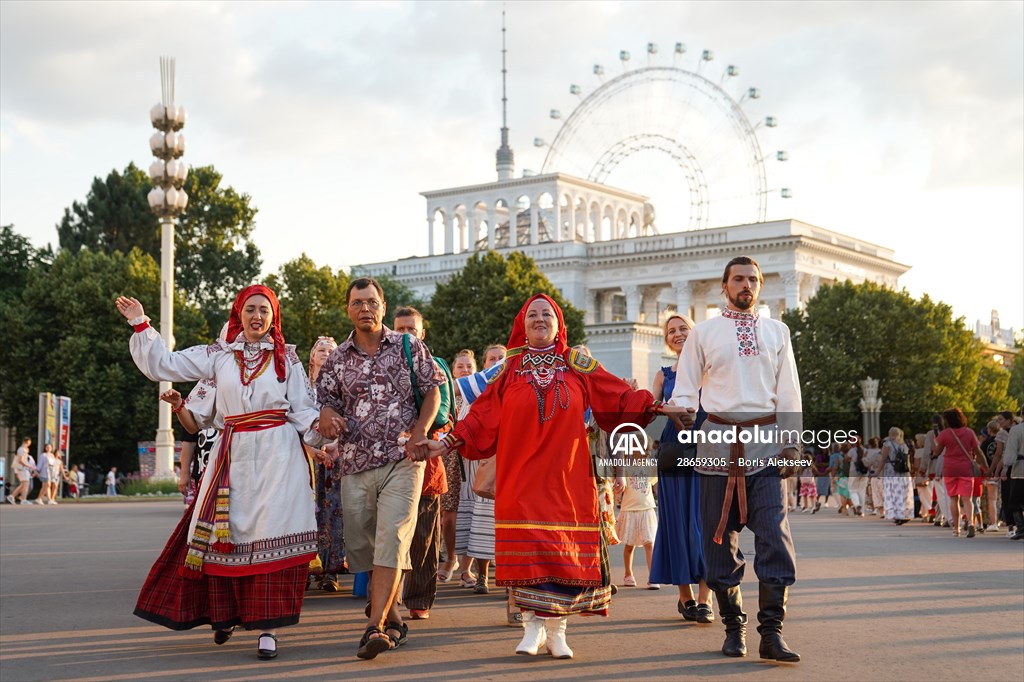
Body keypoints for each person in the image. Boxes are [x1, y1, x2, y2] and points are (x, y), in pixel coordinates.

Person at [421, 293, 679, 660]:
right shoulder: (509, 368)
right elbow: (483, 414)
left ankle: (558, 631)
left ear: (559, 324)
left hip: (567, 477)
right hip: (520, 476)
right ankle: (531, 627)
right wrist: (446, 441)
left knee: (562, 553)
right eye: (532, 316)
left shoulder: (576, 363)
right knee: (529, 552)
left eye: (547, 314)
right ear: (522, 326)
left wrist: (657, 407)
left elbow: (616, 395)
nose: (539, 319)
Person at [118, 285, 319, 660]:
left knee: (273, 535)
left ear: (274, 317)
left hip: (279, 457)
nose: (257, 316)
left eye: (264, 310)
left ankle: (268, 631)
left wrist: (325, 434)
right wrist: (140, 323)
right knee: (227, 537)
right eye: (250, 309)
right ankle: (225, 616)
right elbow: (169, 367)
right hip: (234, 456)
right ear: (238, 314)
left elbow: (304, 411)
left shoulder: (287, 360)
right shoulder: (218, 356)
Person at [669, 255, 802, 663]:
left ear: (759, 286)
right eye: (738, 279)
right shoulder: (705, 332)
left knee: (774, 538)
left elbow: (789, 390)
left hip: (765, 445)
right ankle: (733, 628)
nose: (746, 285)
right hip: (716, 447)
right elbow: (686, 386)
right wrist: (681, 412)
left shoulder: (778, 331)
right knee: (718, 541)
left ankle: (772, 633)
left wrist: (792, 443)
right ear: (724, 286)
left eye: (753, 279)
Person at [314, 277, 443, 660]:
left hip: (403, 459)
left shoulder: (408, 346)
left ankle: (375, 626)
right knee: (361, 544)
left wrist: (420, 431)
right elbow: (324, 401)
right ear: (348, 309)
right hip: (354, 463)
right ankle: (395, 613)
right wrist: (328, 416)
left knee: (393, 535)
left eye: (371, 302)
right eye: (357, 303)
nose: (365, 308)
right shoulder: (338, 359)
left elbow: (434, 388)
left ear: (383, 306)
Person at [648, 314, 712, 623]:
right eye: (671, 331)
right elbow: (650, 408)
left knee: (705, 522)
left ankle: (706, 599)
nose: (678, 334)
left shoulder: (709, 368)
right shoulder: (662, 375)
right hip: (674, 451)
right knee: (676, 523)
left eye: (683, 328)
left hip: (708, 448)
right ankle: (685, 597)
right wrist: (663, 407)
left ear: (694, 331)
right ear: (666, 340)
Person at [392, 306, 450, 621]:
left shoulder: (437, 366)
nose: (405, 335)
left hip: (426, 464)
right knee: (390, 534)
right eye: (400, 329)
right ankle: (387, 594)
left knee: (424, 537)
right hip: (387, 464)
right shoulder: (378, 366)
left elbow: (446, 415)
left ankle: (419, 599)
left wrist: (425, 432)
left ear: (422, 334)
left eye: (411, 330)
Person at [307, 336, 347, 592]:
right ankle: (305, 568)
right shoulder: (300, 386)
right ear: (312, 357)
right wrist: (309, 449)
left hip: (335, 458)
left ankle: (331, 571)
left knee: (334, 513)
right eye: (320, 349)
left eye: (330, 350)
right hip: (305, 458)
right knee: (306, 513)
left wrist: (338, 446)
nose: (325, 353)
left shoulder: (343, 385)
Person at [438, 350, 476, 583]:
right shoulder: (447, 392)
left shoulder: (480, 394)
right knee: (448, 516)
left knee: (473, 513)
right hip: (450, 457)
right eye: (460, 366)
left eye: (469, 367)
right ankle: (449, 558)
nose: (464, 370)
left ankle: (467, 567)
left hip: (473, 459)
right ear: (453, 371)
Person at [933, 407, 986, 538]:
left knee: (953, 498)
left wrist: (935, 443)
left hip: (950, 468)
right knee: (967, 499)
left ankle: (956, 529)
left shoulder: (945, 434)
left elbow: (937, 452)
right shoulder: (969, 432)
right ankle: (971, 523)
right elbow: (978, 451)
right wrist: (986, 466)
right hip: (966, 468)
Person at [616, 458, 659, 589]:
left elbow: (655, 484)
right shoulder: (625, 466)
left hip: (646, 509)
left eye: (647, 449)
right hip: (630, 510)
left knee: (649, 544)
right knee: (630, 545)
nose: (645, 453)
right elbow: (619, 487)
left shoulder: (651, 465)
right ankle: (628, 575)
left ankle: (653, 577)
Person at [877, 427, 912, 525]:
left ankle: (897, 515)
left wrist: (877, 471)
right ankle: (904, 514)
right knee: (903, 493)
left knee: (892, 492)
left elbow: (883, 459)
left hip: (891, 470)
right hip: (903, 471)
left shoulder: (887, 444)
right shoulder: (904, 445)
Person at [1002, 407, 1024, 540]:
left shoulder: (1016, 430)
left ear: (1022, 414)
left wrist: (1006, 466)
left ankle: (1021, 528)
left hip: (1020, 468)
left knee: (1016, 500)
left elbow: (1010, 451)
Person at [8, 438, 34, 505]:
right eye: (28, 443)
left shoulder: (22, 449)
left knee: (23, 484)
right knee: (26, 484)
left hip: (22, 469)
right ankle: (23, 499)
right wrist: (28, 465)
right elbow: (20, 460)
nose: (28, 445)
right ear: (25, 442)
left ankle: (12, 496)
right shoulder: (22, 449)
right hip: (23, 469)